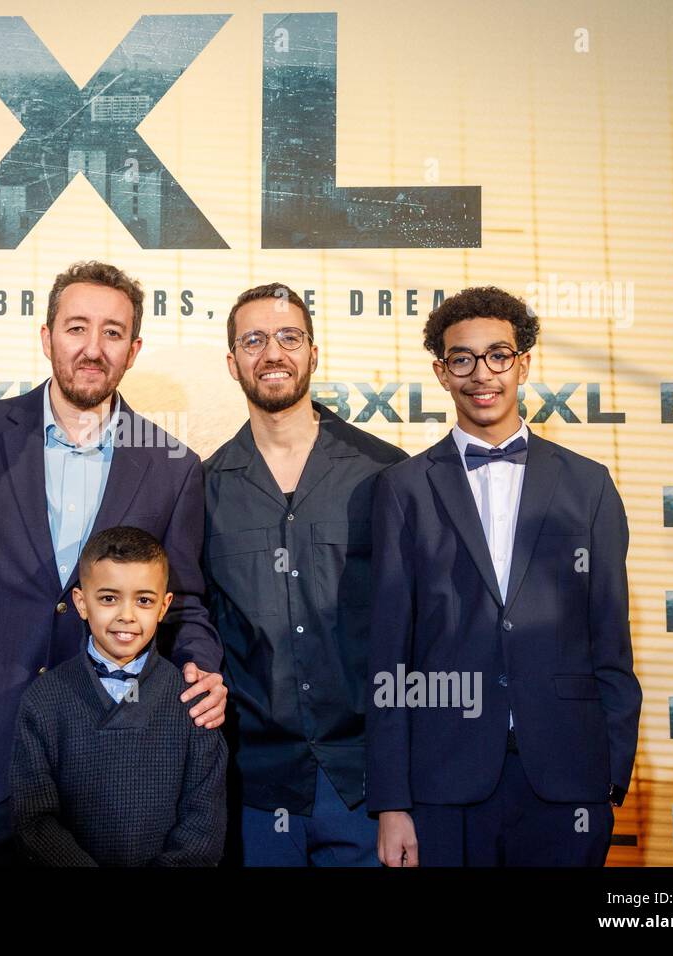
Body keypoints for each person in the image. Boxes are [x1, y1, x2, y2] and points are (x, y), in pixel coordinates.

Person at [0, 260, 226, 864]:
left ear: (134, 349)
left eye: (113, 332)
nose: (93, 349)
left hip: (112, 754)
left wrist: (200, 675)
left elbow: (186, 599)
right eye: (76, 328)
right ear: (46, 337)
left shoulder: (172, 464)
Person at [367, 285, 641, 866]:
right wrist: (391, 802)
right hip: (442, 782)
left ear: (523, 363)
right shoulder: (403, 489)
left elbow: (610, 642)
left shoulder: (588, 485)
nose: (481, 374)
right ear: (442, 373)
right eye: (461, 359)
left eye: (498, 355)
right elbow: (389, 653)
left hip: (569, 776)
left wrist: (610, 775)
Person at [203, 283, 407, 866]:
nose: (273, 353)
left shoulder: (385, 474)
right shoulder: (206, 487)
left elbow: (415, 632)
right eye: (255, 340)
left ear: (314, 353)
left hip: (367, 786)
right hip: (255, 789)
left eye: (290, 337)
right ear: (232, 361)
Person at [10, 526, 227, 866]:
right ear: (81, 603)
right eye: (109, 598)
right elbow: (35, 820)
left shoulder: (194, 702)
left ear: (164, 606)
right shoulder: (44, 700)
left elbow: (203, 826)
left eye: (144, 600)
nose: (126, 615)